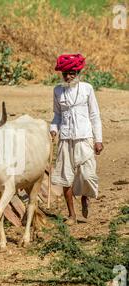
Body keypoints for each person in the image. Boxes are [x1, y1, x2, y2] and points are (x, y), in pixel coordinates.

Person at [50, 53, 104, 225]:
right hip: (65, 138)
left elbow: (95, 115)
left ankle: (85, 197)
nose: (68, 76)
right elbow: (57, 115)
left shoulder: (87, 89)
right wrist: (53, 128)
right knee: (66, 178)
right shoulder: (57, 91)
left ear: (78, 72)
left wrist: (98, 139)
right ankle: (72, 215)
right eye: (65, 73)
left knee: (88, 175)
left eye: (72, 73)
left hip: (85, 137)